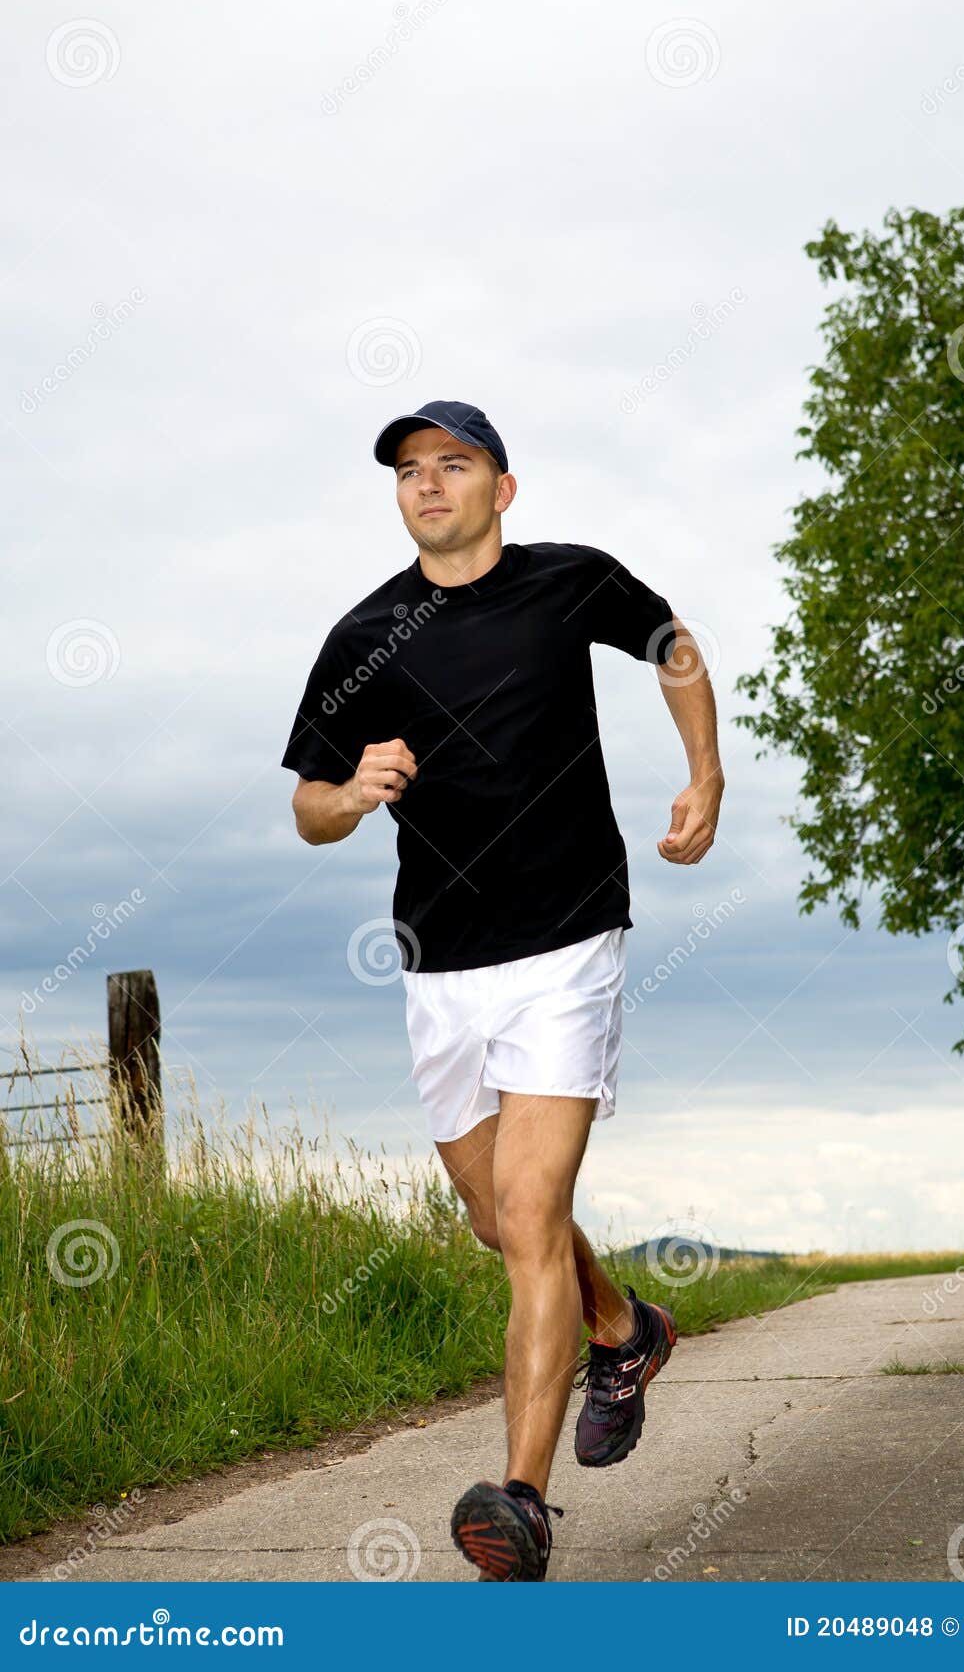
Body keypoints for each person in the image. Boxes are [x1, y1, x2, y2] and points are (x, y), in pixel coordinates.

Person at [280, 400, 724, 1581]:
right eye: (410, 471)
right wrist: (354, 785)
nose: (428, 484)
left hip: (568, 935)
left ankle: (517, 1505)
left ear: (501, 489)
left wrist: (704, 771)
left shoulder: (564, 582)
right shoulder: (363, 634)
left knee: (530, 1212)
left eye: (453, 464)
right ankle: (624, 1329)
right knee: (495, 1221)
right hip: (438, 959)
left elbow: (671, 644)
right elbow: (306, 807)